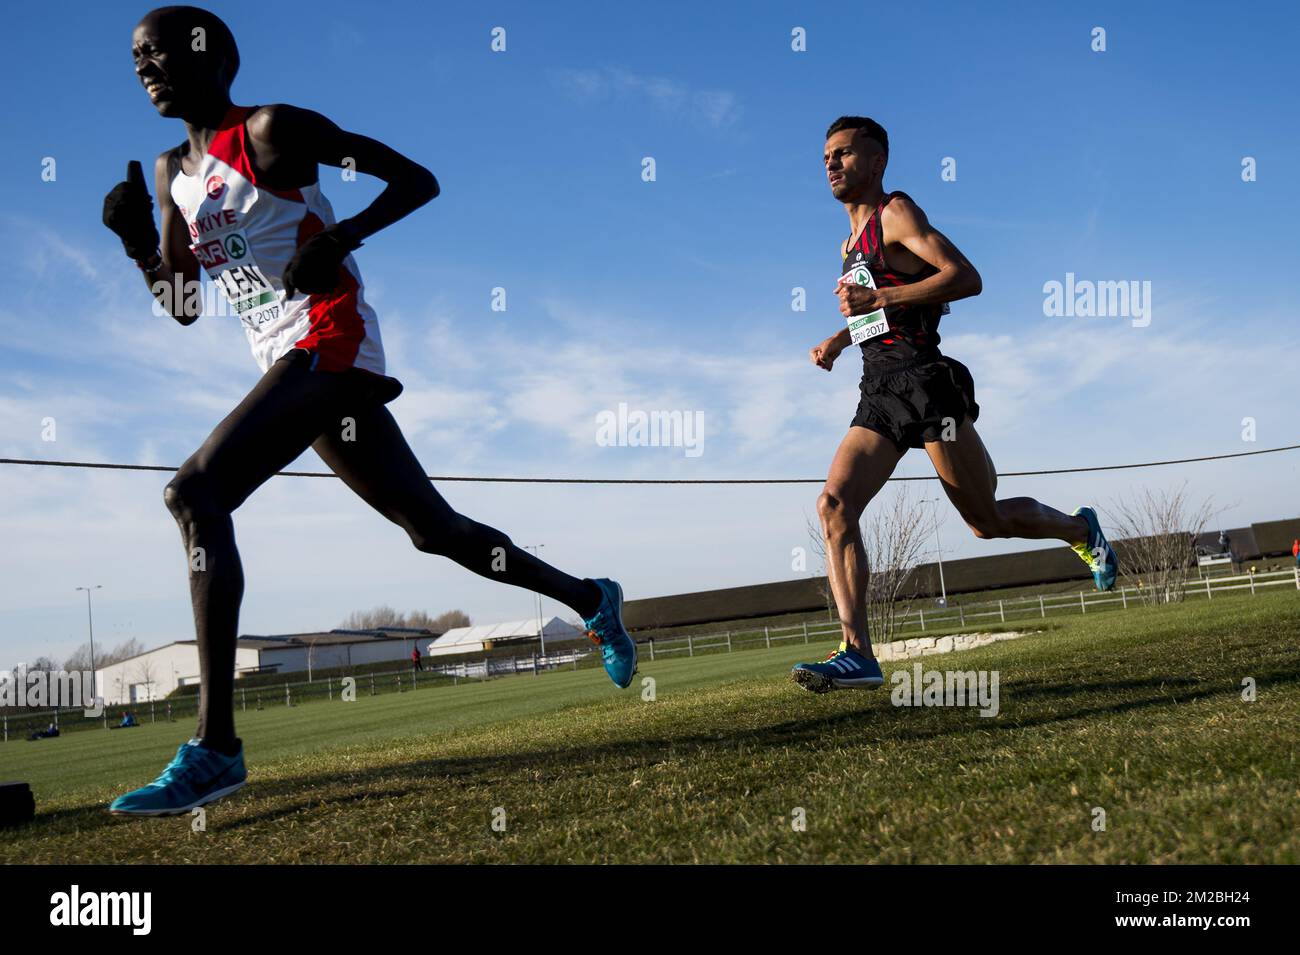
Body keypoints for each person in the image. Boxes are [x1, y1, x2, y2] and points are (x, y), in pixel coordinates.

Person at [101, 6, 636, 817]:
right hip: (287, 365)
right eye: (135, 57)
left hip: (331, 340)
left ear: (212, 56)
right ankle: (592, 596)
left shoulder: (275, 129)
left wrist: (341, 234)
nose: (145, 67)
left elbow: (417, 179)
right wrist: (138, 242)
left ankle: (216, 748)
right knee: (435, 530)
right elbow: (181, 304)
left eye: (159, 52)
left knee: (195, 492)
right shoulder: (171, 167)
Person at [791, 117, 1118, 693]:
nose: (832, 164)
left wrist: (882, 294)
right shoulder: (848, 244)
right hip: (879, 392)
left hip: (927, 385)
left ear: (876, 162)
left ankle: (1078, 530)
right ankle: (858, 654)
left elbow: (965, 277)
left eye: (844, 154)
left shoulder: (897, 213)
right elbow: (876, 312)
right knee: (833, 504)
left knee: (985, 522)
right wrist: (839, 340)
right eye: (826, 157)